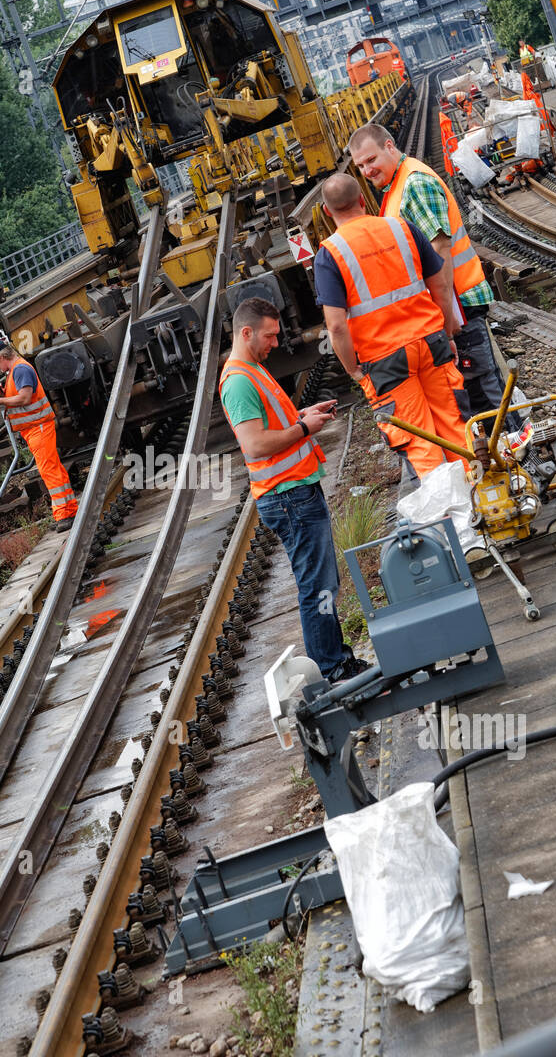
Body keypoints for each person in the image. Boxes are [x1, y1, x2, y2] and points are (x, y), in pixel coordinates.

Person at [219, 297, 368, 684]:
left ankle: (336, 659)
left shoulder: (252, 369)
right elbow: (254, 445)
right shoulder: (238, 381)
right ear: (246, 332)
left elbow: (271, 426)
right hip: (287, 498)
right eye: (269, 336)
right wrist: (304, 430)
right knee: (315, 585)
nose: (274, 343)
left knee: (322, 582)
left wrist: (303, 416)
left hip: (296, 492)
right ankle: (333, 666)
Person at [348, 122, 512, 422]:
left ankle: (524, 459)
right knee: (478, 398)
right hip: (450, 307)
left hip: (458, 307)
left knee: (487, 397)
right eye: (360, 166)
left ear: (389, 146)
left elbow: (440, 252)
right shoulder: (397, 185)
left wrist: (446, 317)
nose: (367, 170)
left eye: (371, 160)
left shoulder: (414, 183)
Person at [315, 174, 471, 478]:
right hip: (430, 342)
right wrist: (447, 332)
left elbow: (336, 327)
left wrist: (351, 369)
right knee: (454, 424)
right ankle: (483, 505)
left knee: (420, 442)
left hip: (385, 360)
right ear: (362, 200)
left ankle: (453, 519)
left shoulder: (329, 254)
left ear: (326, 211)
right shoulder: (401, 228)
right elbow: (439, 285)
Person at [0, 336, 78, 532]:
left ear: (0, 358)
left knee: (49, 471)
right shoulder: (16, 370)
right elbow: (18, 393)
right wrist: (1, 393)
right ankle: (69, 508)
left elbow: (24, 398)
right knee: (54, 468)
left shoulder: (21, 369)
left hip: (38, 428)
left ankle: (64, 515)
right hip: (34, 429)